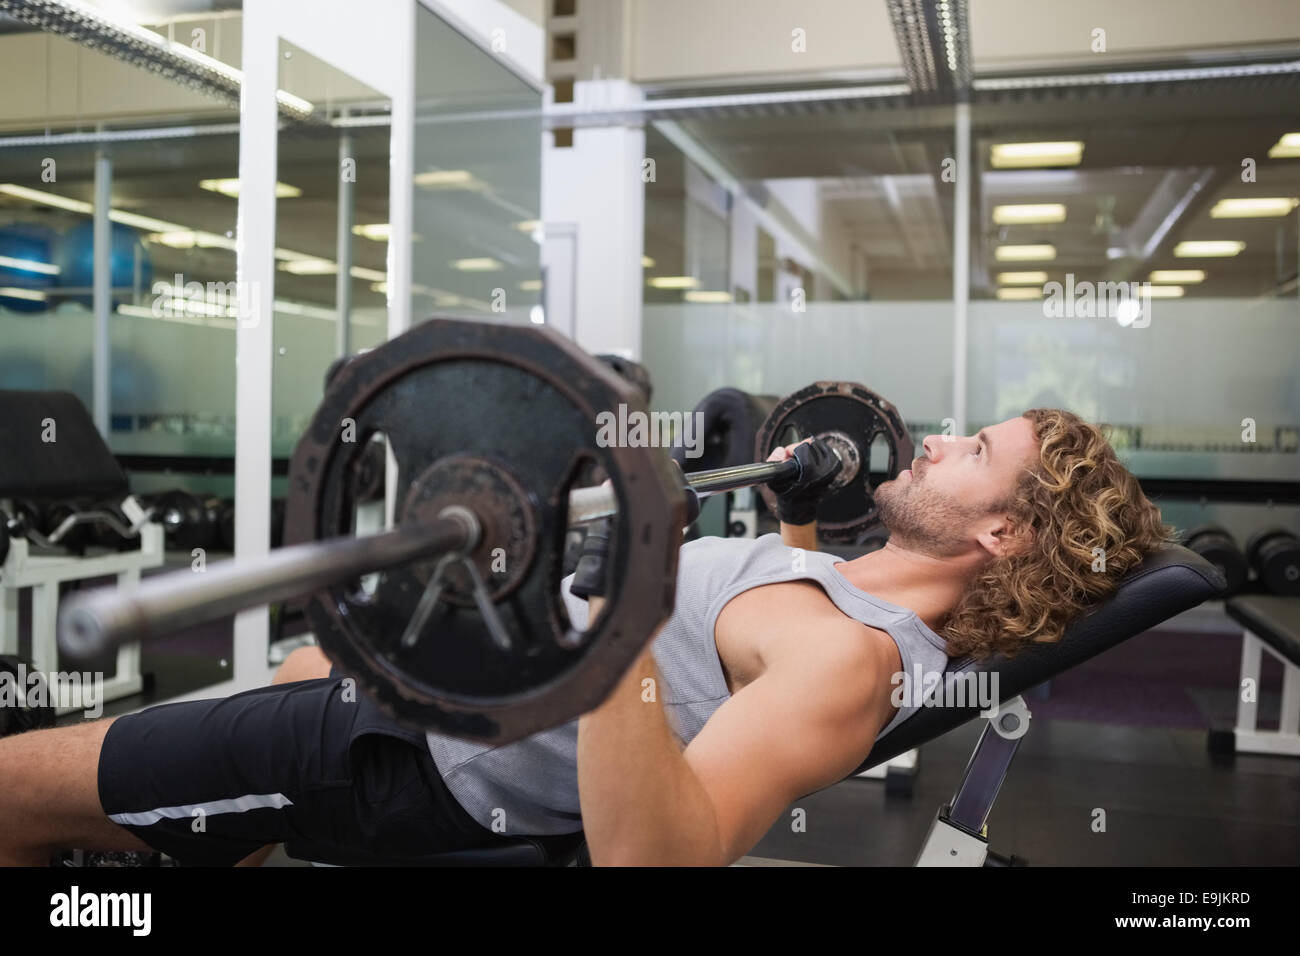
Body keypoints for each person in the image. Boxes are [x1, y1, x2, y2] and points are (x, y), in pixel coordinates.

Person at [0, 408, 1172, 866]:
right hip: (415, 696)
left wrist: (621, 604)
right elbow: (755, 606)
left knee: (15, 786)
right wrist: (794, 508)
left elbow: (656, 856)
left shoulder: (845, 660)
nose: (937, 437)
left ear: (1006, 531)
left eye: (974, 449)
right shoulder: (850, 582)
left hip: (404, 758)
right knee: (167, 825)